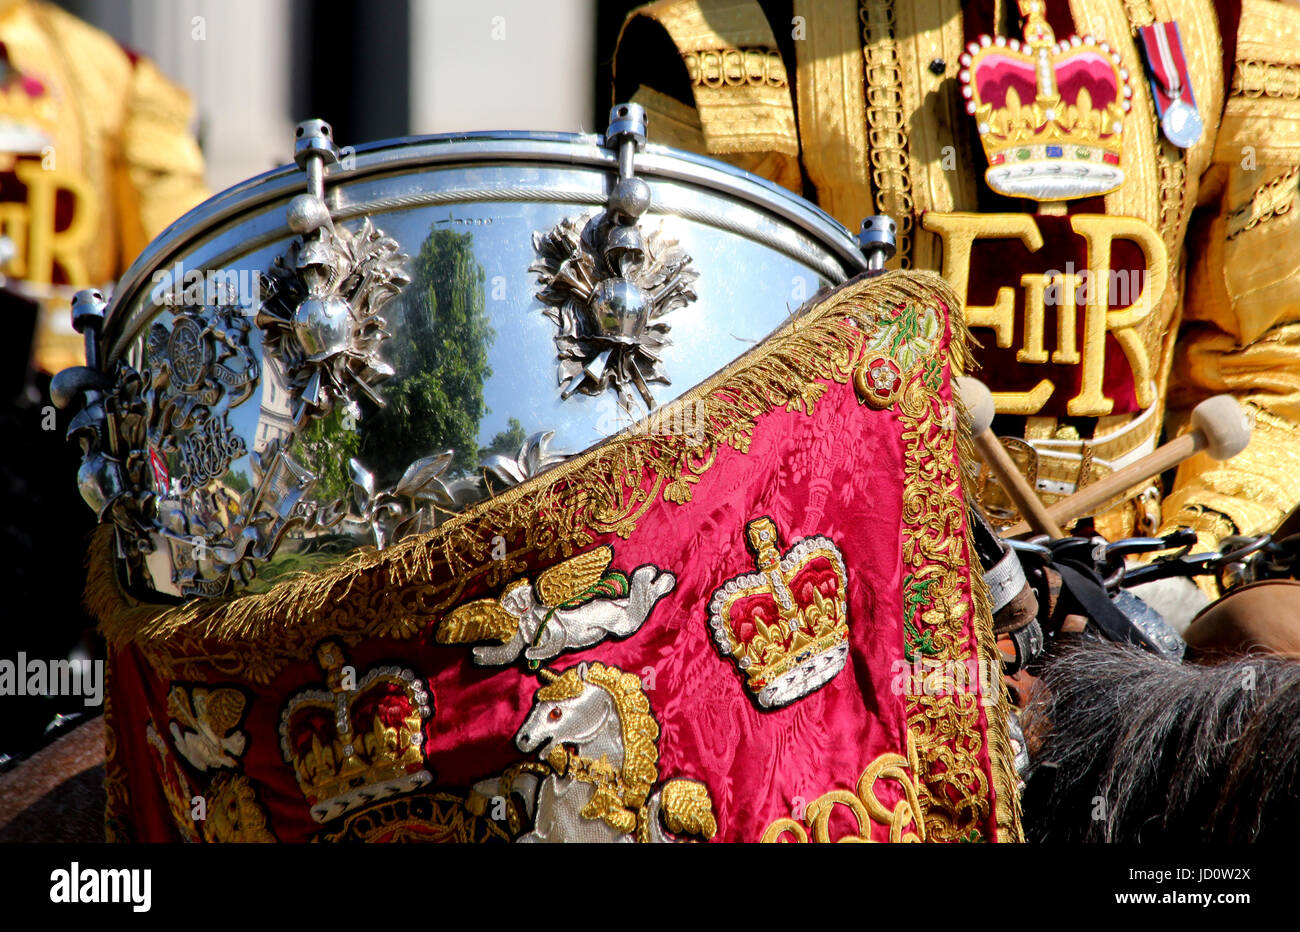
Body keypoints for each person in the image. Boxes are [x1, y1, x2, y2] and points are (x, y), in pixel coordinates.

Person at [610, 0, 1300, 578]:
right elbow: (692, 377)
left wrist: (1188, 557)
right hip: (849, 579)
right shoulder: (761, 23)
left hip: (1136, 580)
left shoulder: (1228, 18)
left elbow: (1269, 366)